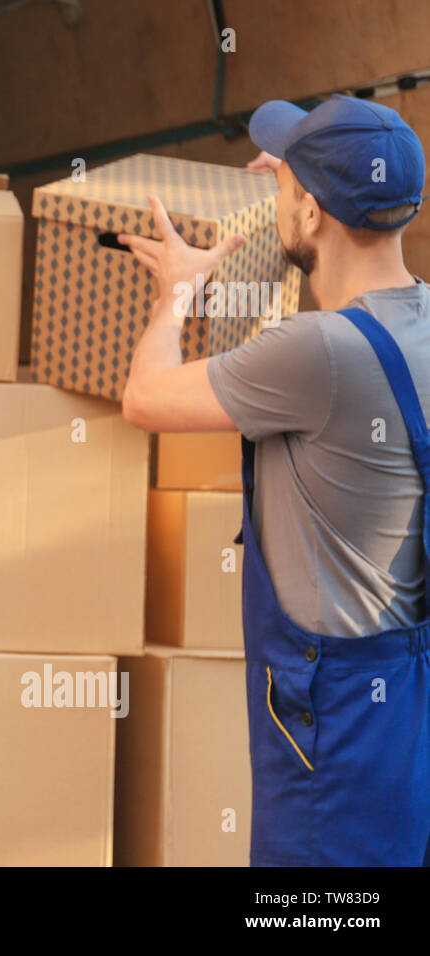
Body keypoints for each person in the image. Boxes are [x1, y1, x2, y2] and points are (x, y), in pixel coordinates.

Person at [118, 94, 430, 866]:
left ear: (315, 210)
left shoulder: (317, 353)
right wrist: (296, 201)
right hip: (406, 704)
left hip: (334, 720)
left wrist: (179, 291)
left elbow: (145, 399)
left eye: (285, 183)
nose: (274, 187)